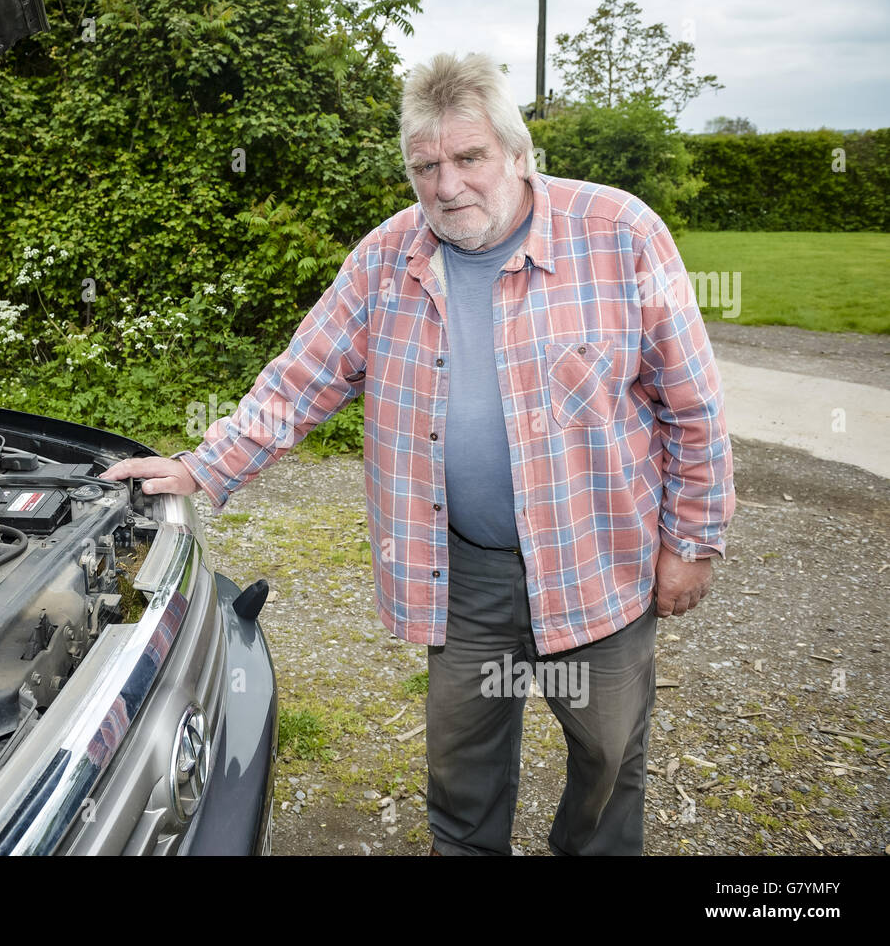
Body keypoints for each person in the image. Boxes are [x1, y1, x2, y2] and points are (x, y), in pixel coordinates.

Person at [100, 52, 734, 856]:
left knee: (610, 754)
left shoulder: (623, 236)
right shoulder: (384, 260)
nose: (446, 185)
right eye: (425, 165)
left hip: (599, 558)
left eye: (469, 158)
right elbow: (300, 381)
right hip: (463, 571)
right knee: (461, 770)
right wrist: (201, 465)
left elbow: (695, 404)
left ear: (517, 153)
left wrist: (692, 540)